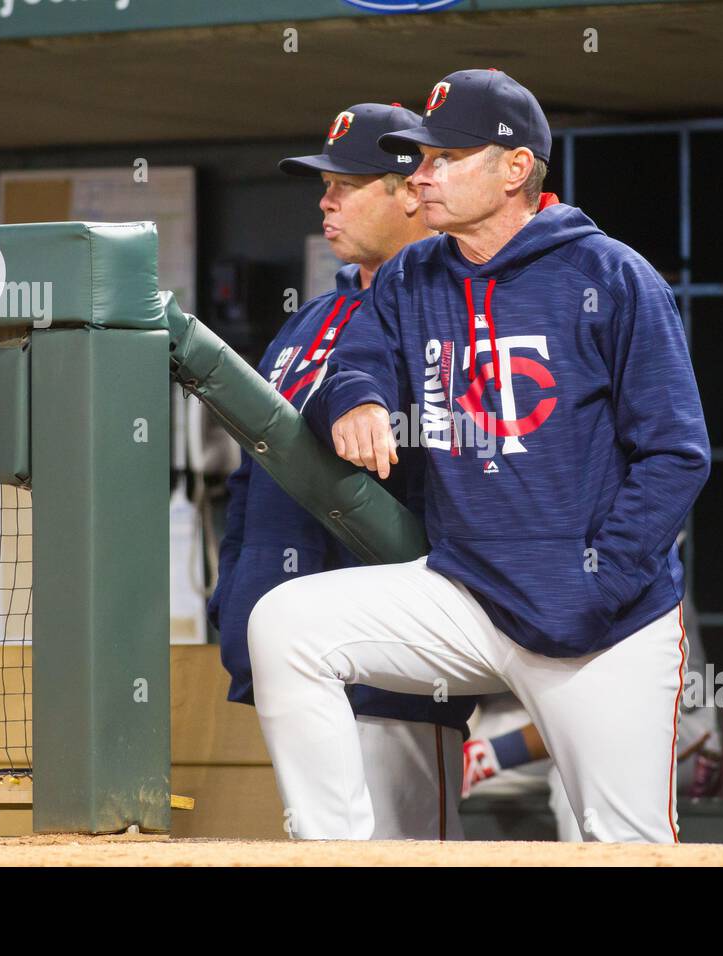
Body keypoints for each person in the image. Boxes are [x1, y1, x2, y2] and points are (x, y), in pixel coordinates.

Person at [248, 69, 710, 842]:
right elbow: (360, 356)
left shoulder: (612, 276)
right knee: (287, 626)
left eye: (444, 159)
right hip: (466, 594)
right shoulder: (412, 273)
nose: (420, 174)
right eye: (417, 160)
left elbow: (677, 455)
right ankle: (335, 859)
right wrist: (358, 397)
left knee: (626, 847)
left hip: (603, 624)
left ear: (515, 169)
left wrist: (600, 581)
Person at [208, 102, 476, 840]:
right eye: (323, 183)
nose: (325, 200)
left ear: (409, 190)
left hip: (394, 662)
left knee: (400, 855)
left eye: (347, 183)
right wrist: (236, 599)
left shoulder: (452, 319)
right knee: (320, 850)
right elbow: (248, 478)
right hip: (291, 650)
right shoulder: (307, 322)